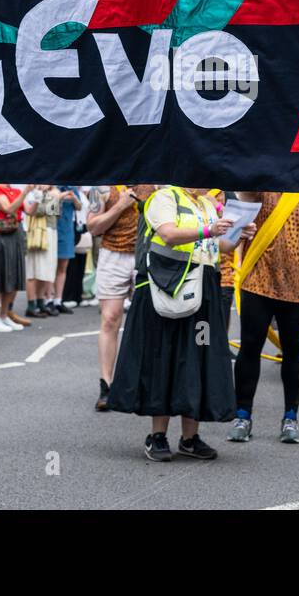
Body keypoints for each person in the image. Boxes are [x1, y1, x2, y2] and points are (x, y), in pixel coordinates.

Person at [108, 186, 250, 461]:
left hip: (204, 292)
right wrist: (210, 230)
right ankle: (157, 436)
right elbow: (168, 234)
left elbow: (219, 247)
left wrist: (238, 235)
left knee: (197, 357)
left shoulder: (208, 204)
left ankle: (190, 438)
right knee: (164, 357)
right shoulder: (164, 197)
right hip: (167, 288)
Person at [227, 191, 299, 444]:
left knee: (293, 351)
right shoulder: (258, 178)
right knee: (250, 347)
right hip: (256, 281)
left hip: (297, 285)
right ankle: (242, 415)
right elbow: (236, 216)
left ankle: (290, 417)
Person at [87, 184, 156, 410]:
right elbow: (93, 227)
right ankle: (106, 385)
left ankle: (141, 384)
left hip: (145, 255)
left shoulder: (153, 185)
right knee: (110, 318)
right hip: (113, 255)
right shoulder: (103, 188)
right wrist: (120, 206)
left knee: (148, 320)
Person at [0, 182, 32, 330]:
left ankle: (4, 315)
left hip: (18, 230)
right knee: (0, 274)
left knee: (13, 275)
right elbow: (8, 209)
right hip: (4, 231)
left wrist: (39, 197)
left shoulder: (14, 189)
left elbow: (30, 211)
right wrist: (25, 193)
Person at [23, 185, 60, 318]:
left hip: (50, 231)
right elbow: (35, 211)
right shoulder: (31, 192)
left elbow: (54, 212)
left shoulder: (52, 193)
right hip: (36, 232)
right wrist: (51, 198)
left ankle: (40, 302)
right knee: (33, 269)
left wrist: (53, 197)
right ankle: (31, 304)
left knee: (46, 269)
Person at [50, 185, 79, 314]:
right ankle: (48, 300)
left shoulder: (72, 188)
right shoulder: (52, 188)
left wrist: (73, 198)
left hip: (67, 230)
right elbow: (50, 210)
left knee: (63, 267)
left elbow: (79, 207)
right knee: (50, 267)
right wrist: (61, 196)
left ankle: (58, 300)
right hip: (53, 230)